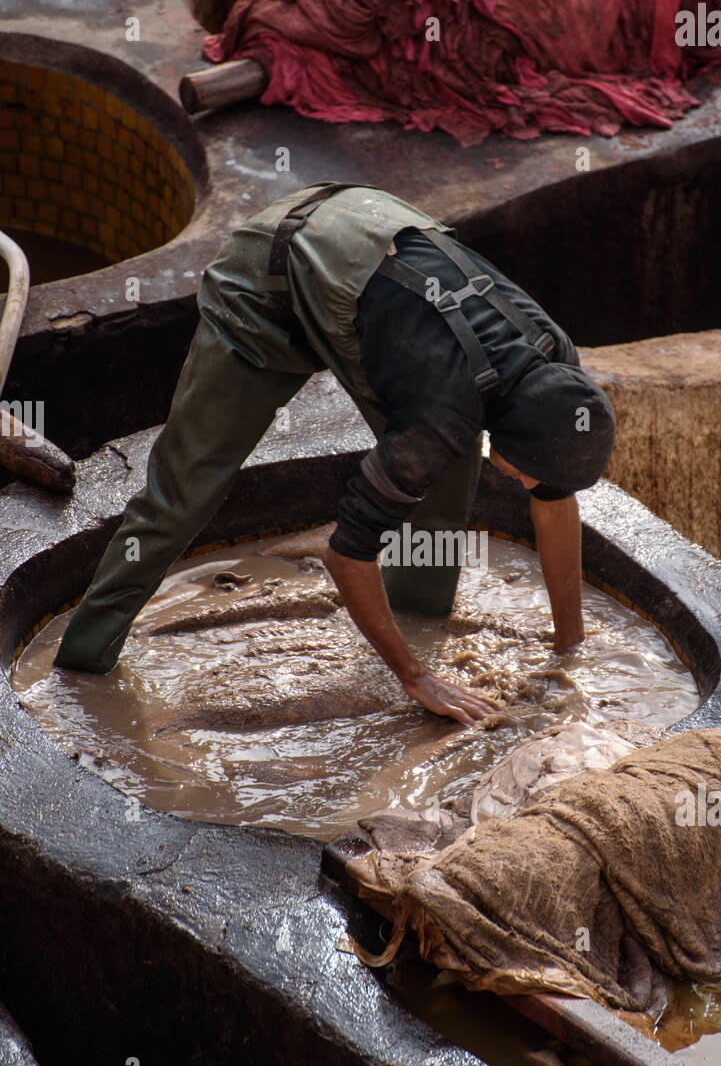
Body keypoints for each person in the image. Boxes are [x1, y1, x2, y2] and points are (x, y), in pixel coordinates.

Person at [54, 183, 616, 725]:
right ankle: (83, 658)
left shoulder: (553, 372)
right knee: (186, 491)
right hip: (270, 278)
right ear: (513, 439)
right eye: (523, 474)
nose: (523, 485)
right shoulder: (440, 416)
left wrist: (569, 649)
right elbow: (347, 555)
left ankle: (416, 614)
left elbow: (553, 496)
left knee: (448, 481)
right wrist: (416, 679)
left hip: (366, 259)